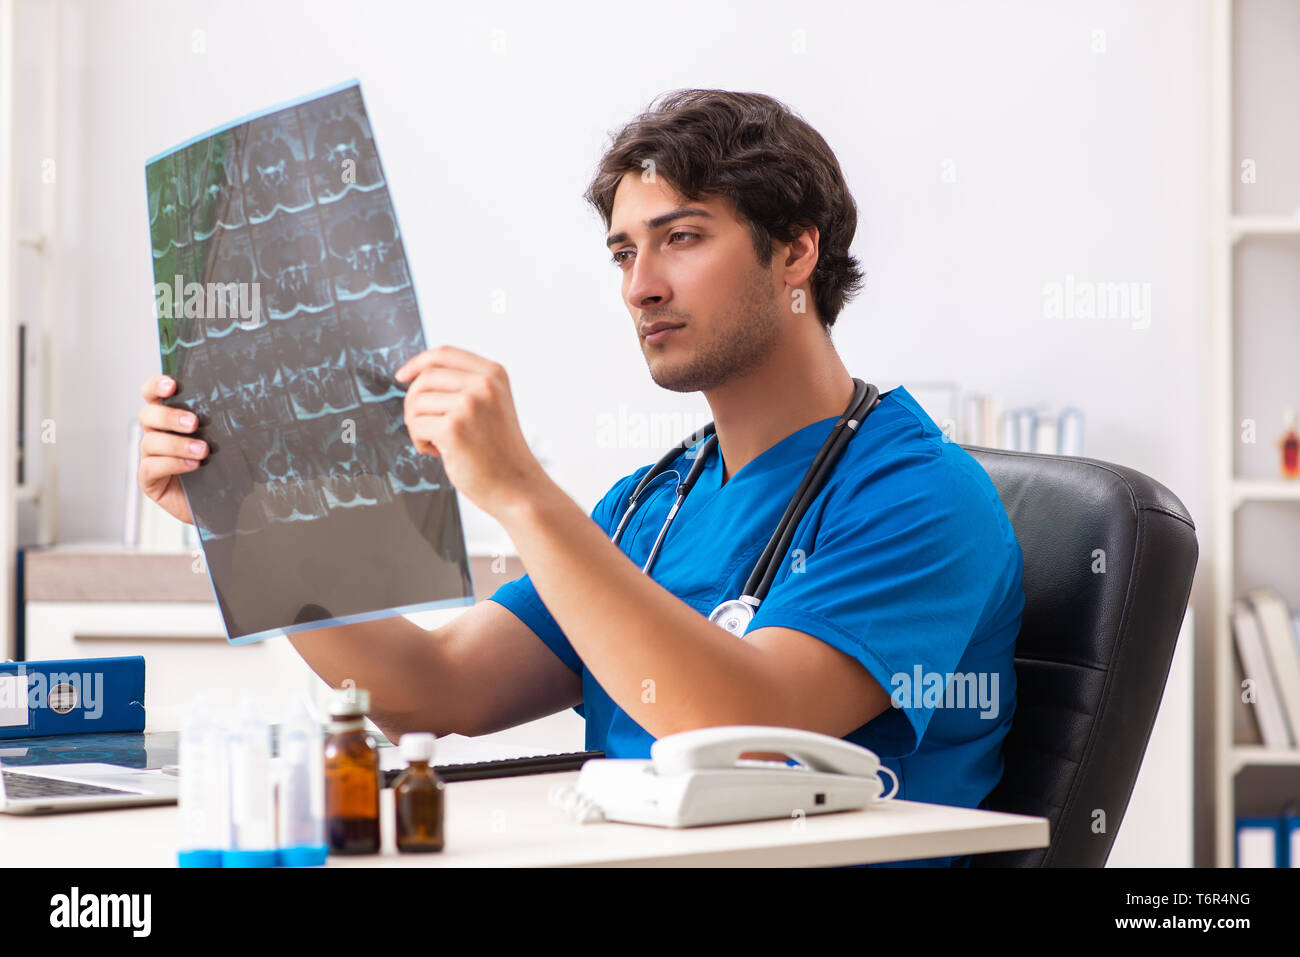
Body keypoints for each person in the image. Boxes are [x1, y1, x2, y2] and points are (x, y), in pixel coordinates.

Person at [137, 89, 1024, 867]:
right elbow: (433, 688)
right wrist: (245, 520)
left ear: (795, 252)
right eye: (622, 253)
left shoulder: (919, 494)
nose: (641, 286)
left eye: (681, 238)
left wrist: (520, 489)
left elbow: (750, 733)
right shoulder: (650, 503)